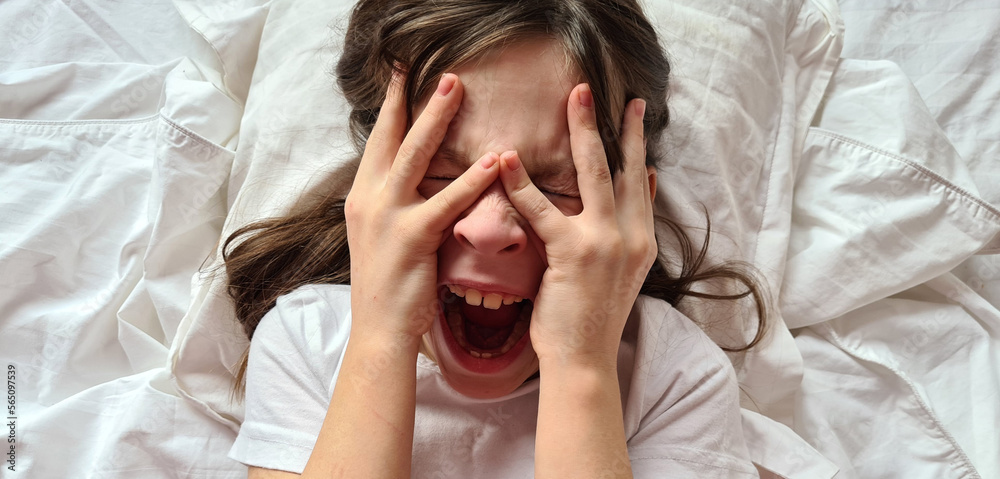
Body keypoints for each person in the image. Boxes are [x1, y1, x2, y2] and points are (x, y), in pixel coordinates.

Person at [224, 0, 768, 477]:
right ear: (367, 193)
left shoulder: (673, 378)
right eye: (439, 176)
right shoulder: (308, 342)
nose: (488, 229)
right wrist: (382, 337)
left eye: (558, 186)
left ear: (633, 217)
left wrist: (580, 361)